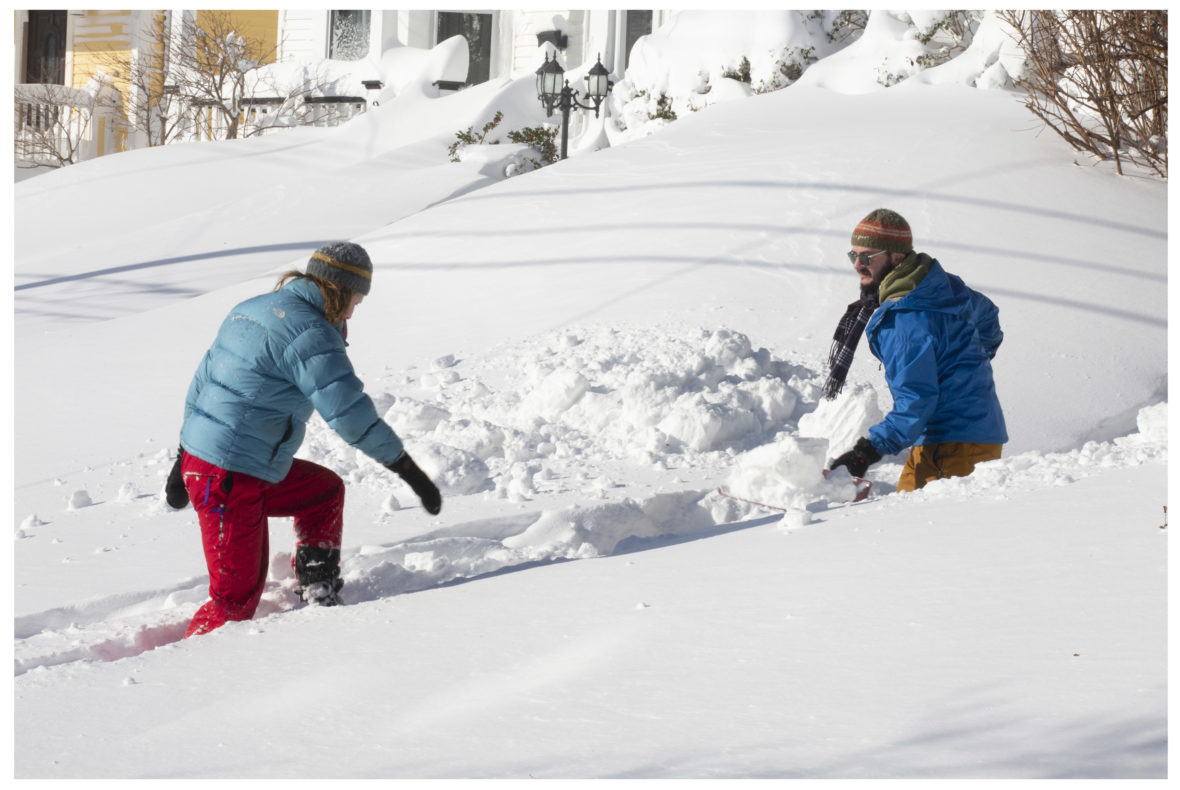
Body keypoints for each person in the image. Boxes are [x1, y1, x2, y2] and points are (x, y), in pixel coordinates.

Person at [166, 241, 442, 638]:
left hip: (229, 465)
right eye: (356, 302)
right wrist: (408, 469)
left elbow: (202, 383)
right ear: (340, 290)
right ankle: (184, 675)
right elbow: (349, 414)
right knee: (234, 602)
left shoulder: (251, 308)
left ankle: (318, 587)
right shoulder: (310, 334)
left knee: (322, 493)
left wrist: (182, 458)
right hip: (227, 479)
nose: (353, 312)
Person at [825, 209, 1007, 492]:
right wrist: (970, 360)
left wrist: (867, 451)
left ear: (896, 256)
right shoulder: (938, 286)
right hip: (960, 438)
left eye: (867, 257)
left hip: (953, 446)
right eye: (854, 256)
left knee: (931, 531)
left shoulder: (904, 320)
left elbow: (916, 400)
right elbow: (987, 315)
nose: (857, 265)